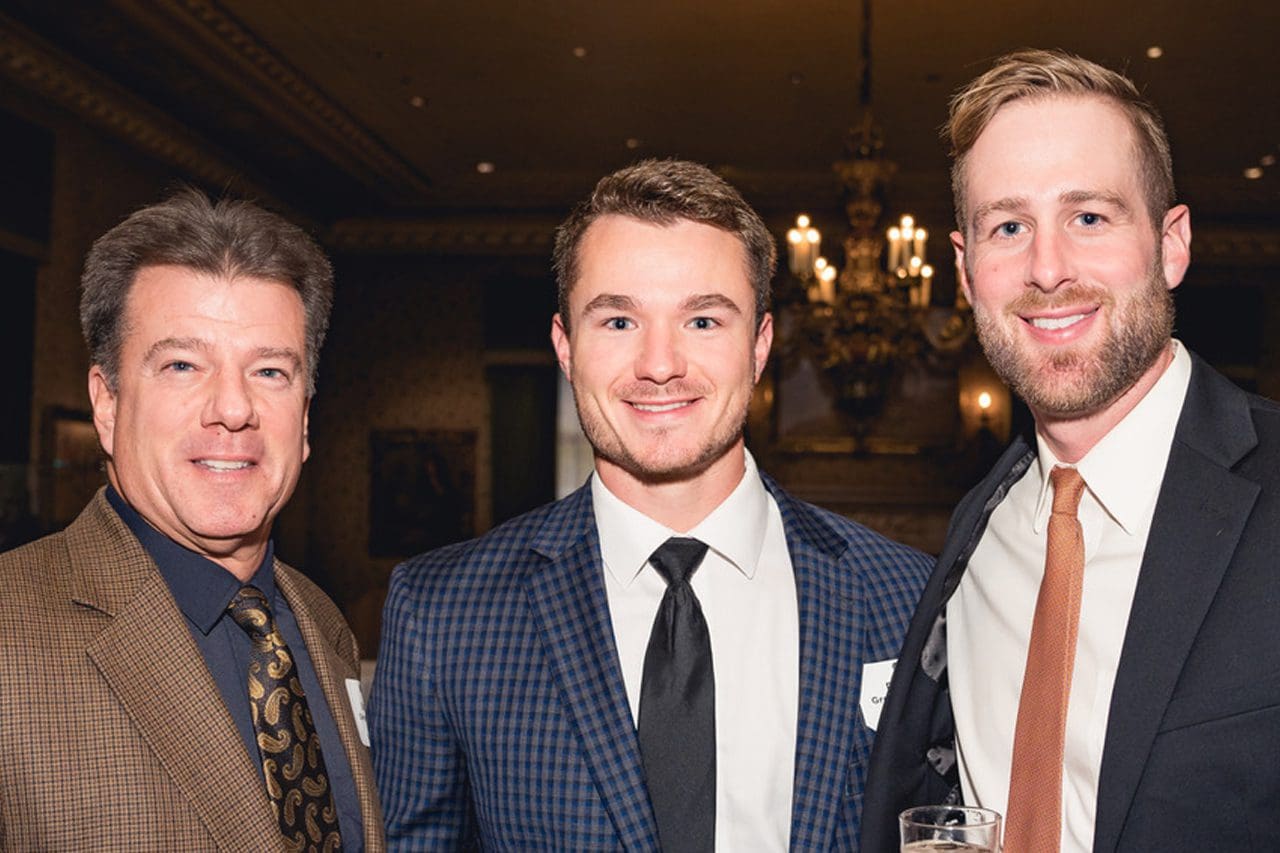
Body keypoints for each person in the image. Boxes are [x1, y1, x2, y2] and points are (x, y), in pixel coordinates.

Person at [370, 159, 932, 850]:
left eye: (701, 319)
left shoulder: (909, 599)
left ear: (759, 346)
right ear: (564, 345)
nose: (660, 363)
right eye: (617, 321)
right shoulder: (443, 612)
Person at [862, 49, 1280, 852]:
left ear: (1171, 243)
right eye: (1009, 226)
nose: (1047, 269)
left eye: (1089, 216)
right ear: (964, 268)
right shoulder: (975, 534)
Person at [0, 189, 384, 850]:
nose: (233, 408)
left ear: (307, 417)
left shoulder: (323, 624)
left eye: (269, 370)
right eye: (183, 365)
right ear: (108, 404)